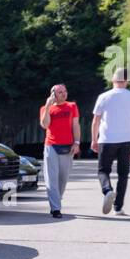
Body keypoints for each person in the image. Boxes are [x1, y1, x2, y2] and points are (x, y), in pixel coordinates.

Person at [91, 68, 130, 214]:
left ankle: (107, 190)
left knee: (103, 170)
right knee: (123, 174)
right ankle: (118, 207)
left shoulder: (104, 96)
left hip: (107, 139)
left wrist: (93, 140)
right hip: (126, 140)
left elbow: (96, 121)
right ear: (127, 81)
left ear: (113, 80)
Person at [39, 83, 80, 218]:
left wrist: (77, 142)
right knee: (52, 179)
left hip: (68, 147)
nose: (64, 93)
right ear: (53, 95)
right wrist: (48, 106)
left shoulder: (72, 106)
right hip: (51, 146)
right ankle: (55, 208)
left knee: (63, 178)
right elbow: (45, 125)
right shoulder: (46, 108)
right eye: (60, 92)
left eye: (65, 91)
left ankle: (57, 199)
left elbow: (75, 125)